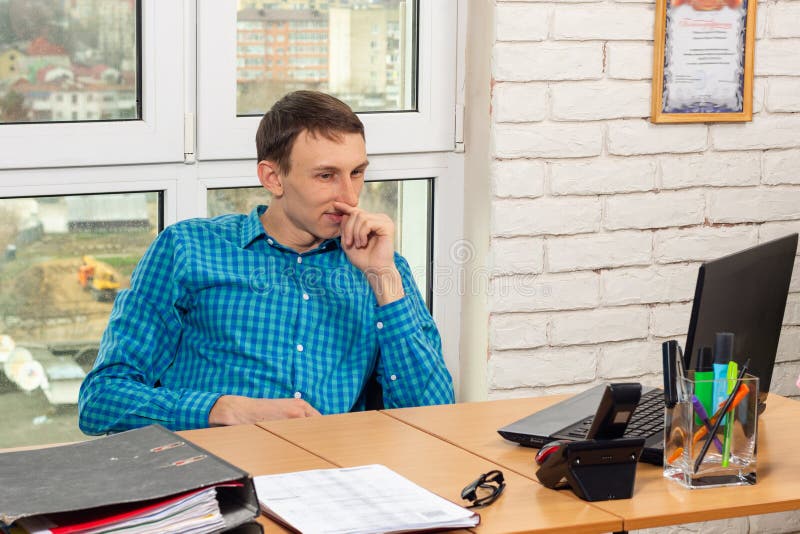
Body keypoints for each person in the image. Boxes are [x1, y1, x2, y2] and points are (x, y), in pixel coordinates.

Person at [78, 91, 454, 434]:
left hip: (329, 481)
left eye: (356, 172)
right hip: (212, 482)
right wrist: (225, 409)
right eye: (326, 176)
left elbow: (435, 417)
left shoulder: (384, 267)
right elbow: (101, 401)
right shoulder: (187, 248)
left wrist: (383, 279)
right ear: (273, 178)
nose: (350, 196)